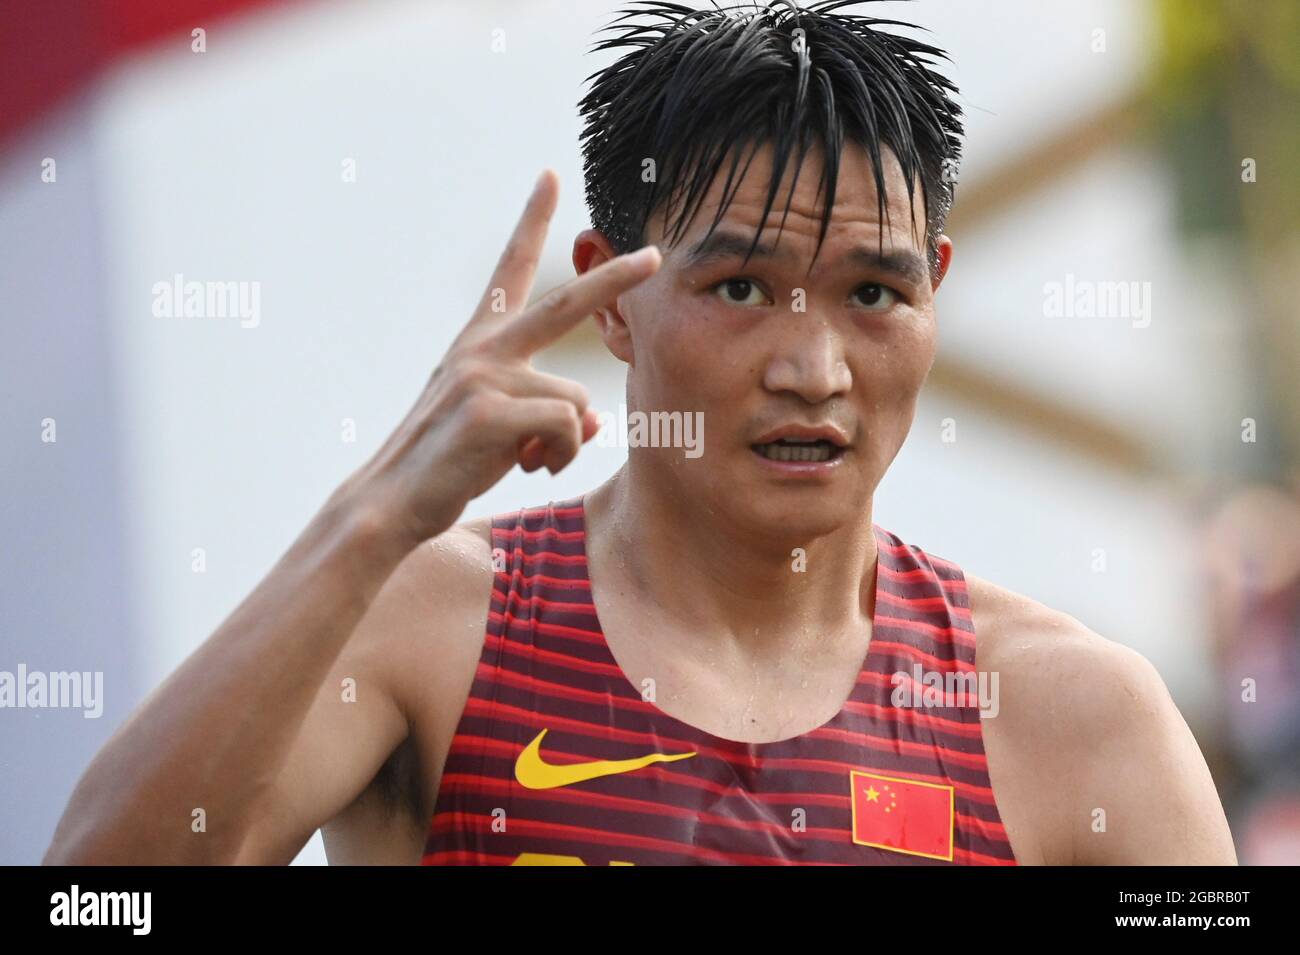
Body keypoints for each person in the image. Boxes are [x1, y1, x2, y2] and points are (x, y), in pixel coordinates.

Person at [45, 0, 1236, 866]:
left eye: (872, 294)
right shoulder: (438, 625)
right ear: (611, 297)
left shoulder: (1073, 718)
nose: (812, 368)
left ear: (934, 291)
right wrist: (377, 514)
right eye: (738, 289)